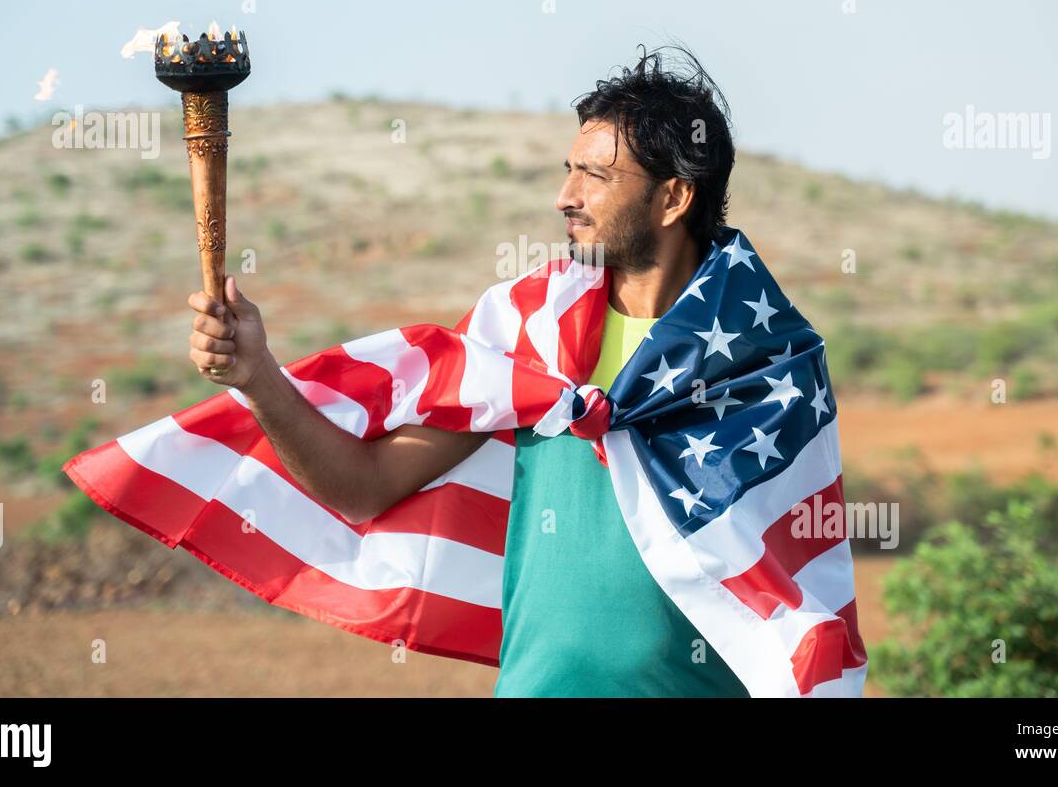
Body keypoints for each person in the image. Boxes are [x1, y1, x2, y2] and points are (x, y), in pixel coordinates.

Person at [186, 45, 747, 696]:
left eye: (595, 175)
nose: (564, 197)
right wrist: (259, 376)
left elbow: (798, 582)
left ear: (673, 197)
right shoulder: (528, 334)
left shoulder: (760, 363)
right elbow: (365, 486)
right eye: (569, 171)